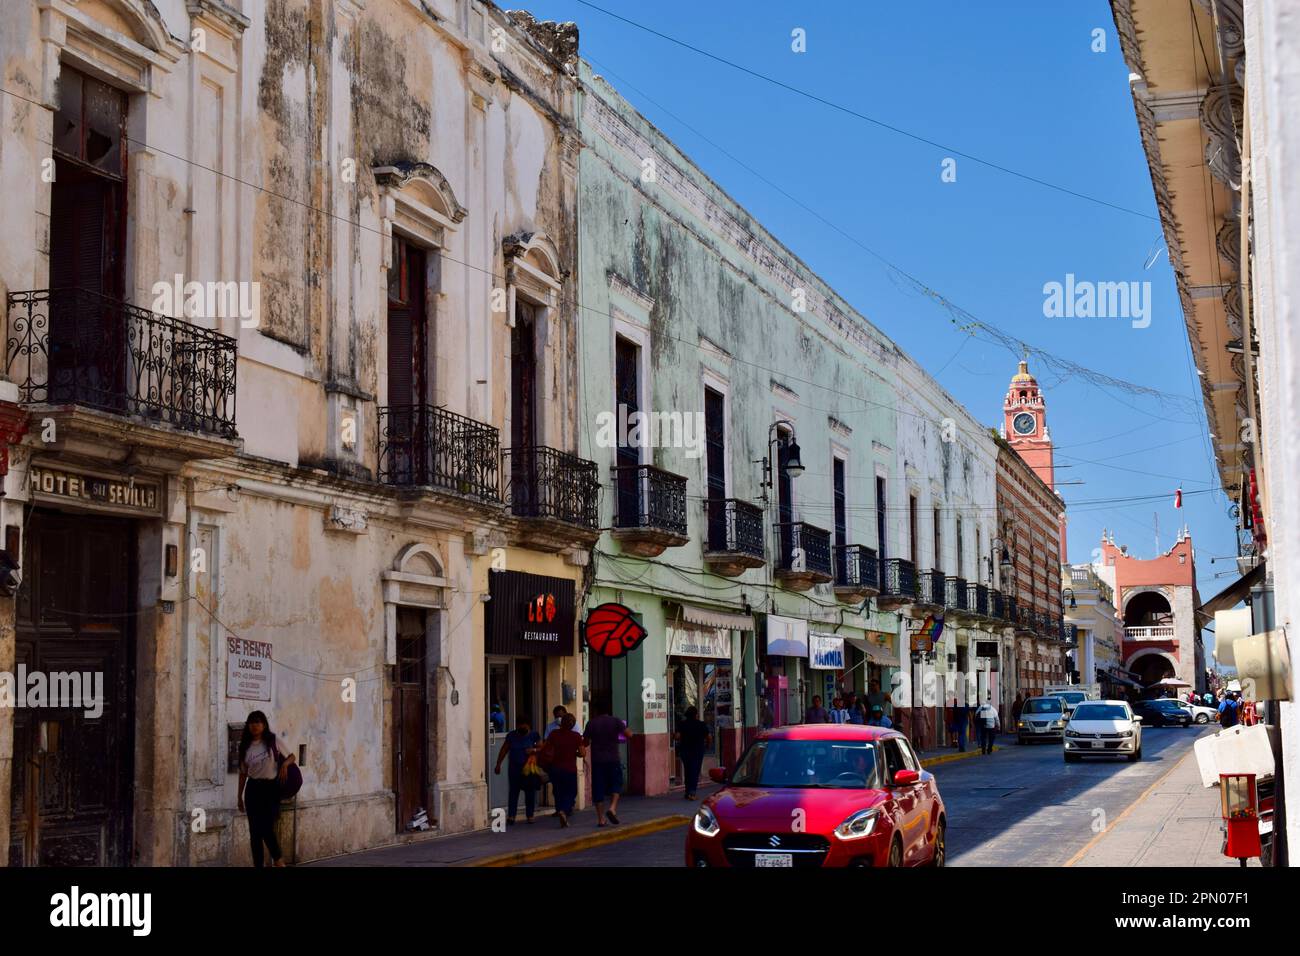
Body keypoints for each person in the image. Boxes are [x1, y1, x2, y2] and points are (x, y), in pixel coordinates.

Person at [237, 710, 296, 867]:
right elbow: (243, 774)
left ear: (264, 724)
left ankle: (278, 860)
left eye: (258, 722)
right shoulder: (245, 747)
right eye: (251, 722)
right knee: (254, 833)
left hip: (270, 789)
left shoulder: (273, 740)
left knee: (266, 827)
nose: (254, 725)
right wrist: (239, 797)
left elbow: (292, 756)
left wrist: (284, 764)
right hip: (253, 789)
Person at [584, 698, 631, 826]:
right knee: (616, 784)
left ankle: (600, 819)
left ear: (596, 710)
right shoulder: (616, 721)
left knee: (598, 788)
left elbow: (586, 742)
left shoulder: (591, 723)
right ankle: (612, 808)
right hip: (613, 758)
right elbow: (629, 735)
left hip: (597, 760)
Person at [493, 716, 541, 824]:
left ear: (528, 726)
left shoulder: (534, 735)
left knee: (530, 792)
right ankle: (511, 816)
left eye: (524, 725)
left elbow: (541, 748)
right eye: (520, 725)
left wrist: (533, 750)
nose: (521, 727)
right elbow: (504, 749)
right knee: (514, 792)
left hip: (529, 769)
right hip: (514, 768)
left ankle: (530, 815)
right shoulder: (511, 736)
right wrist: (498, 764)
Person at [540, 713, 585, 827]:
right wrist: (575, 753)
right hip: (569, 769)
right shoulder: (576, 736)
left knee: (558, 791)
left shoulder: (554, 734)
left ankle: (560, 809)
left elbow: (545, 747)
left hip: (555, 768)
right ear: (573, 724)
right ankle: (563, 811)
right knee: (571, 791)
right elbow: (582, 753)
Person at [674, 705, 713, 800]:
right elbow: (709, 737)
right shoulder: (701, 724)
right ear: (696, 715)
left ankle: (688, 792)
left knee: (688, 770)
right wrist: (708, 746)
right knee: (695, 771)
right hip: (697, 750)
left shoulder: (682, 724)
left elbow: (677, 736)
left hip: (685, 750)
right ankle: (692, 793)